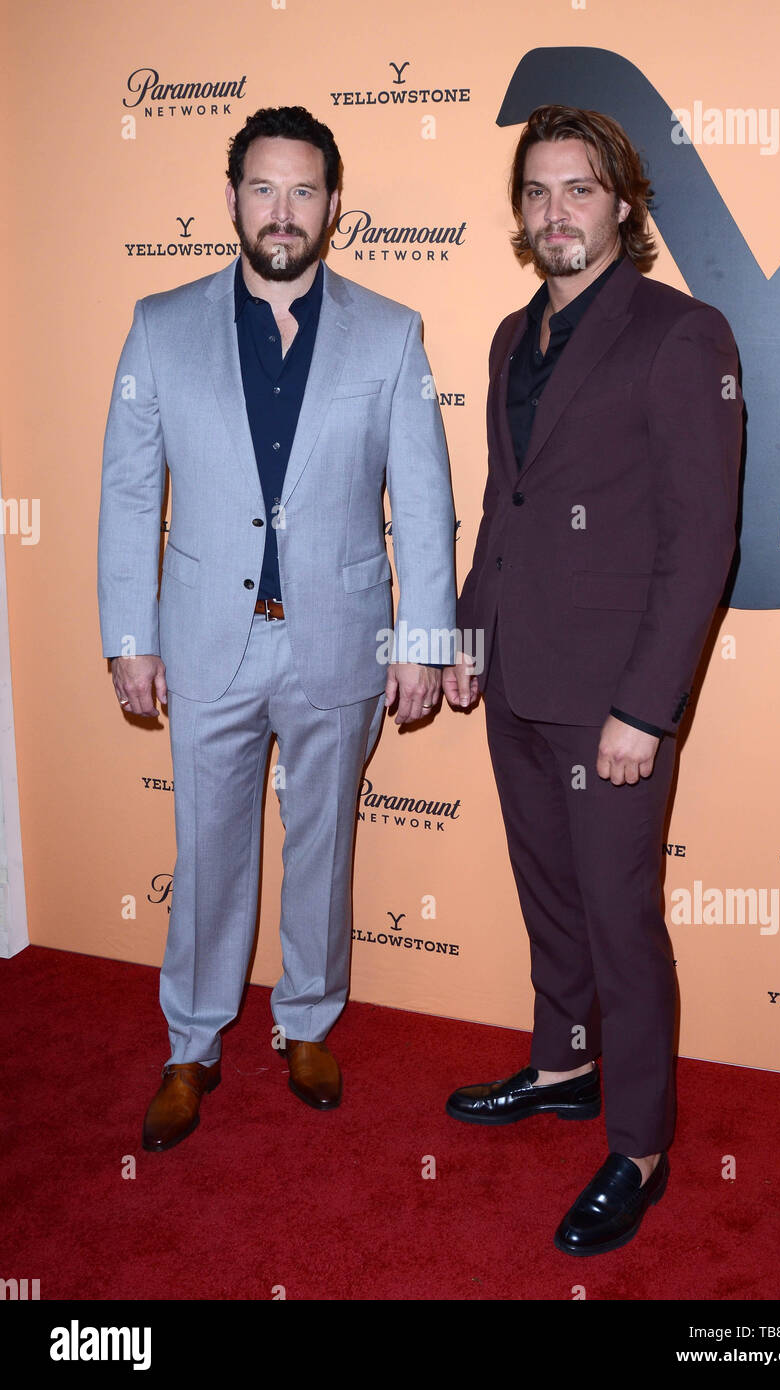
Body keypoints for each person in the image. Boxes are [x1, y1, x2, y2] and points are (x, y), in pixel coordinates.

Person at [98, 105, 455, 1152]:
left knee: (322, 842)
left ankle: (306, 1018)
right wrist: (129, 633)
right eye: (263, 188)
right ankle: (193, 1041)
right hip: (206, 636)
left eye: (304, 190)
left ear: (334, 205)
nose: (283, 211)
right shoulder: (160, 325)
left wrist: (425, 641)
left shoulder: (392, 334)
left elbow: (424, 502)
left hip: (340, 638)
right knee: (207, 850)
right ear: (231, 200)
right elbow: (128, 493)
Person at [443, 105, 742, 1255]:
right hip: (518, 671)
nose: (557, 212)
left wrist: (643, 706)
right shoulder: (514, 337)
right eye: (537, 192)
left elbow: (700, 538)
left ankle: (641, 1145)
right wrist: (471, 636)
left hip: (612, 693)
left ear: (623, 203)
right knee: (551, 898)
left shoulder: (682, 335)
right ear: (520, 214)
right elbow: (500, 507)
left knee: (621, 918)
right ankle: (564, 1067)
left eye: (579, 189)